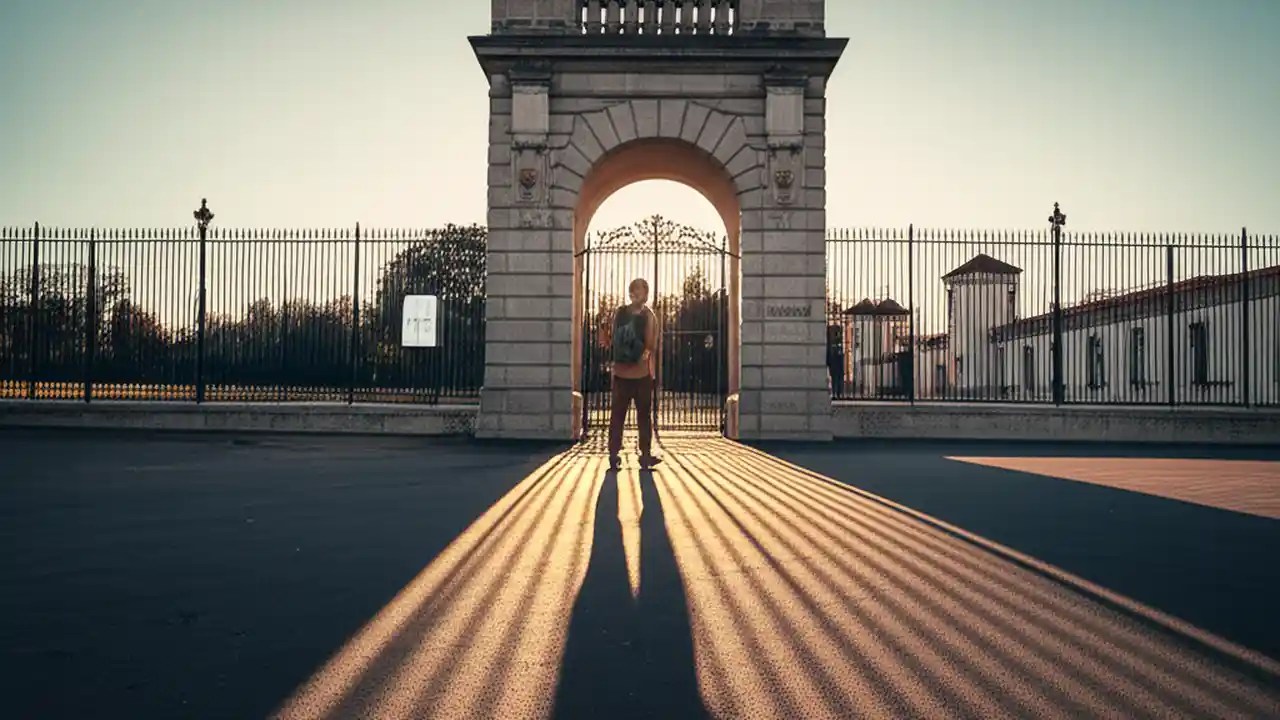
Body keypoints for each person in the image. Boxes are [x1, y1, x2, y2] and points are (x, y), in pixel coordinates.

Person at [609, 278, 661, 471]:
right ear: (645, 294)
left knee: (617, 416)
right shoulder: (649, 316)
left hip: (621, 373)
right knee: (644, 417)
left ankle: (613, 454)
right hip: (641, 375)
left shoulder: (620, 313)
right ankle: (645, 455)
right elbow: (651, 345)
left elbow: (613, 338)